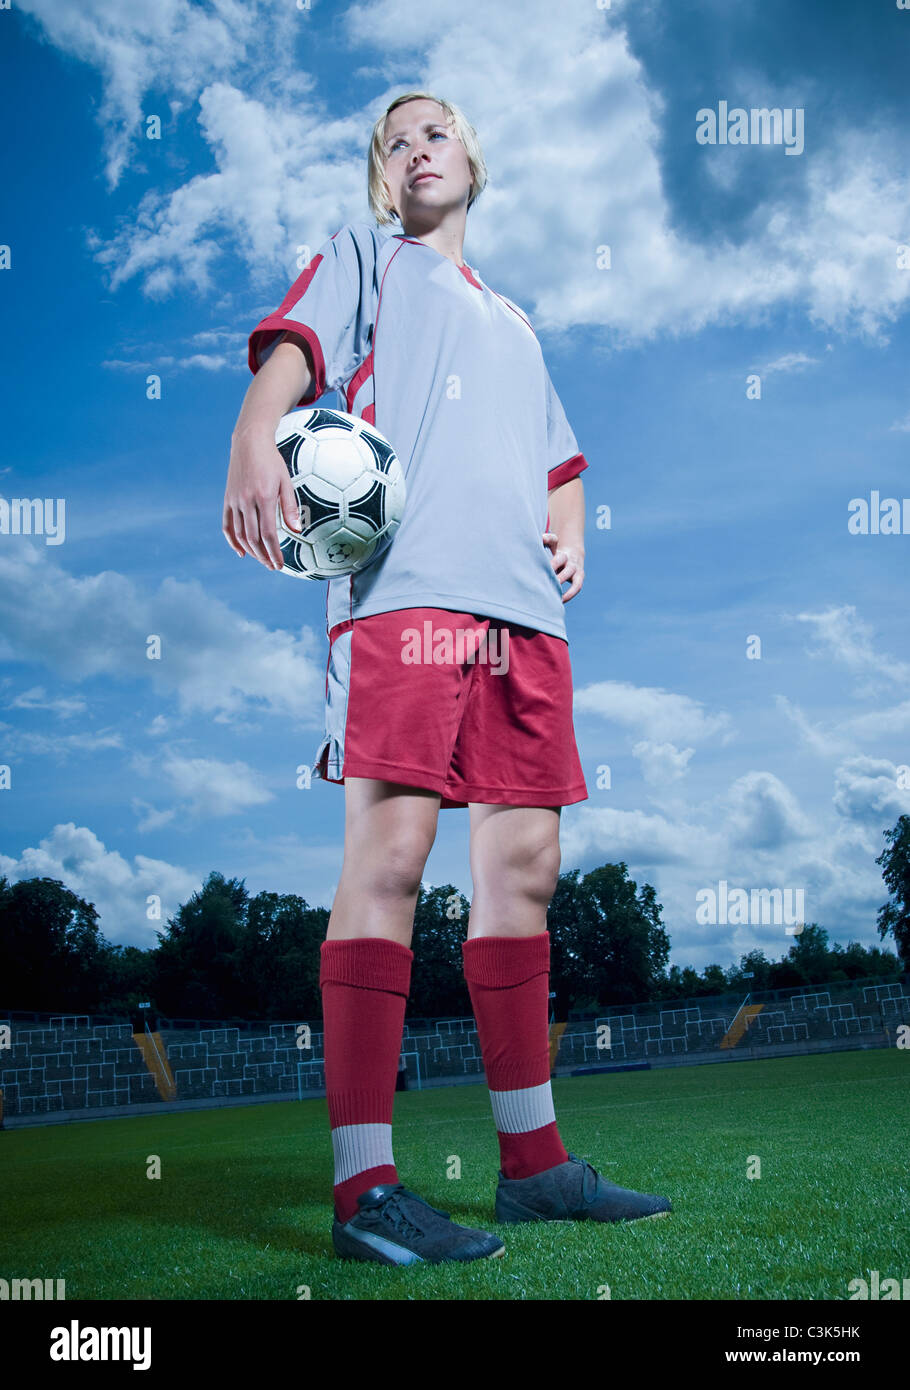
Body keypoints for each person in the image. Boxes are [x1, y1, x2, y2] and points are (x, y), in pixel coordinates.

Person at [224, 91, 671, 1266]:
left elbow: (559, 459)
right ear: (385, 178)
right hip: (407, 596)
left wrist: (571, 527)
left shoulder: (514, 325)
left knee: (524, 867)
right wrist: (249, 434)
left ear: (474, 157)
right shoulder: (372, 262)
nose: (419, 149)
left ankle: (533, 1167)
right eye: (396, 141)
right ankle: (364, 1187)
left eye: (437, 132)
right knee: (393, 858)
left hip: (524, 620)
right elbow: (293, 350)